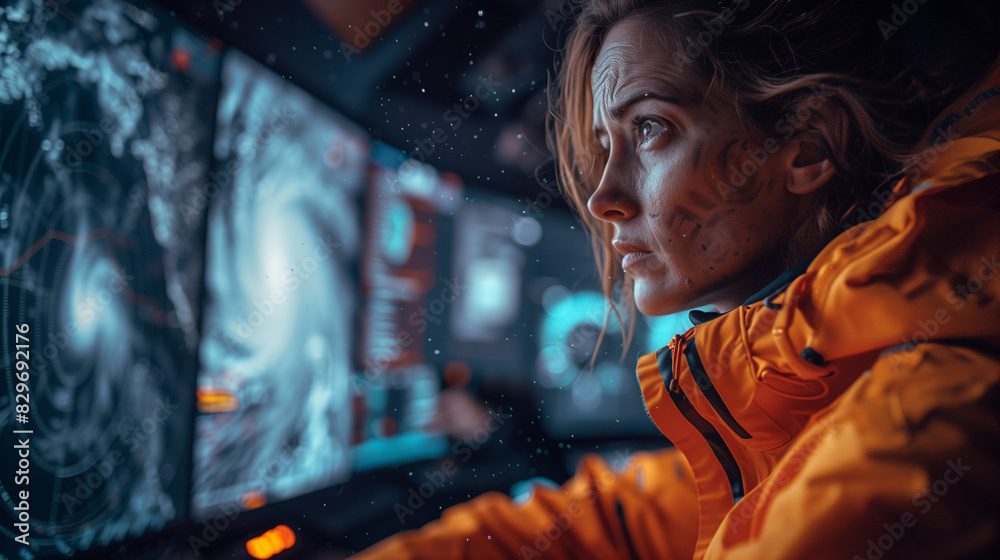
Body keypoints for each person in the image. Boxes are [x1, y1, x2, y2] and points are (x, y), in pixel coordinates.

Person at [352, 0, 1000, 558]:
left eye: (651, 129)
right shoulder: (837, 356)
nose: (606, 197)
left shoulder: (920, 425)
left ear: (807, 147)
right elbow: (623, 525)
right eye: (606, 148)